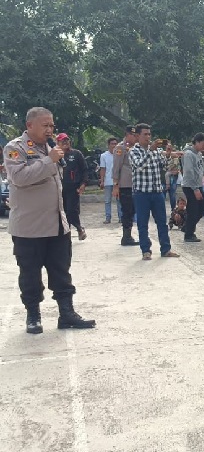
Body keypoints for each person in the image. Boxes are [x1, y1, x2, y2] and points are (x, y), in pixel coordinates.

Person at [4, 107, 96, 334]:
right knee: (30, 274)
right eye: (45, 125)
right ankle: (33, 316)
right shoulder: (14, 148)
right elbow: (19, 177)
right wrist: (48, 161)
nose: (50, 129)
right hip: (29, 228)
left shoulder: (51, 148)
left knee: (61, 271)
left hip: (57, 223)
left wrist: (50, 157)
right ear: (30, 126)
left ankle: (66, 313)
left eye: (52, 125)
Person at [128, 123, 179, 260]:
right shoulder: (133, 151)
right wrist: (150, 151)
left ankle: (166, 249)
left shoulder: (156, 151)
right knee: (142, 223)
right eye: (145, 134)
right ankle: (146, 251)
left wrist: (168, 154)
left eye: (149, 134)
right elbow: (139, 166)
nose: (148, 137)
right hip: (142, 193)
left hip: (157, 192)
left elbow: (164, 166)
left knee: (162, 222)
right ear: (137, 136)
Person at [56, 133, 88, 241]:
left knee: (71, 210)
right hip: (59, 188)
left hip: (73, 188)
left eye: (67, 140)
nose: (65, 142)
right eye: (62, 141)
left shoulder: (76, 154)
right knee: (62, 212)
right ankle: (68, 234)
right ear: (57, 143)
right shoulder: (55, 155)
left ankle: (79, 229)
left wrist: (83, 183)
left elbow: (84, 169)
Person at [112, 125, 140, 246]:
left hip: (135, 183)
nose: (135, 137)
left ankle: (128, 235)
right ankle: (126, 237)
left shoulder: (137, 147)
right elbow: (116, 167)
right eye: (133, 135)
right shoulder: (120, 148)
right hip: (124, 184)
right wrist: (116, 185)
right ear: (127, 135)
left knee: (133, 209)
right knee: (127, 210)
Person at [181, 133, 204, 242]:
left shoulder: (198, 154)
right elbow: (188, 172)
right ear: (197, 142)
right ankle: (189, 234)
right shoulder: (188, 154)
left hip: (198, 184)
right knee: (193, 210)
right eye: (203, 144)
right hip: (190, 186)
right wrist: (195, 189)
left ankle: (187, 226)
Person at [99, 136, 122, 224]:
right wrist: (102, 181)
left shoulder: (119, 154)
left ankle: (121, 217)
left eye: (115, 144)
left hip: (118, 181)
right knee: (107, 200)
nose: (114, 145)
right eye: (112, 144)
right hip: (108, 180)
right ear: (108, 145)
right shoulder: (104, 156)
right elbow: (103, 169)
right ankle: (108, 217)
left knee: (119, 200)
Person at [166, 143, 182, 211]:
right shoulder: (163, 156)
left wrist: (176, 170)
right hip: (164, 178)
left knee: (172, 195)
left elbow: (178, 166)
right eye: (168, 148)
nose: (169, 149)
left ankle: (173, 209)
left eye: (170, 148)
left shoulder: (175, 158)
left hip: (173, 176)